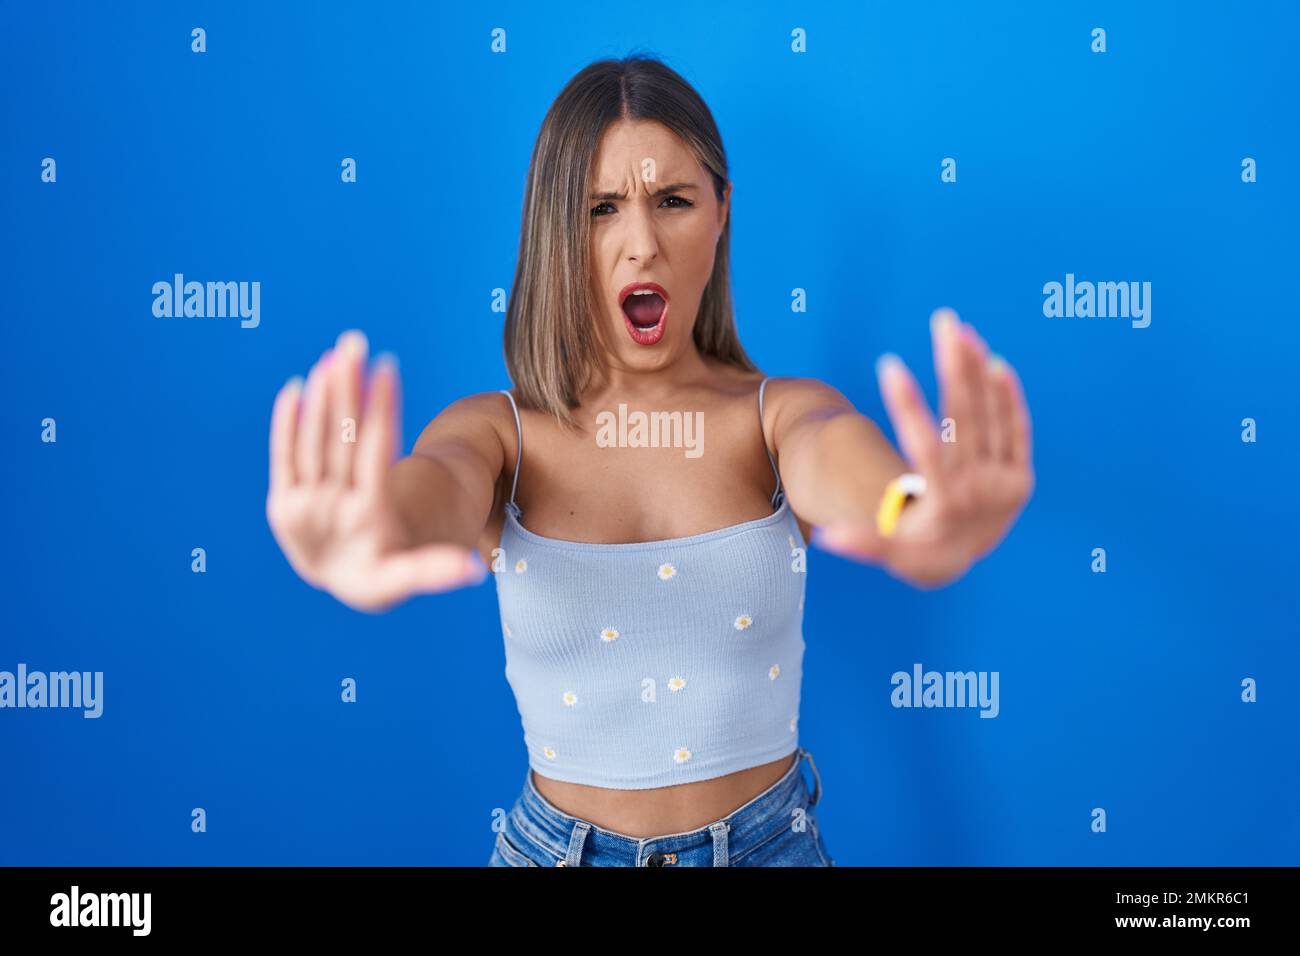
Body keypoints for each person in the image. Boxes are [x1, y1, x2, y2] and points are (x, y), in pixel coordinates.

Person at [265, 55, 1034, 866]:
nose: (641, 246)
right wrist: (375, 527)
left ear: (721, 211)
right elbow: (437, 488)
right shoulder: (499, 435)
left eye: (672, 200)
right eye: (601, 208)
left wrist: (914, 510)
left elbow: (848, 468)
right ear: (558, 228)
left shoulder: (777, 418)